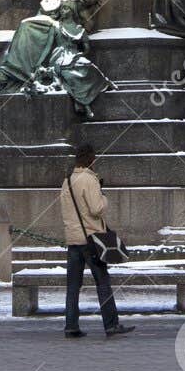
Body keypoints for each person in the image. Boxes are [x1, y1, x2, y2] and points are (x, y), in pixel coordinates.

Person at [59, 145, 134, 339]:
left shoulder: (67, 180)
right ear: (92, 160)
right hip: (91, 239)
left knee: (73, 286)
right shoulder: (89, 179)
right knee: (103, 283)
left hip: (73, 239)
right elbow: (96, 209)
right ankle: (111, 324)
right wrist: (103, 196)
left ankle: (71, 326)